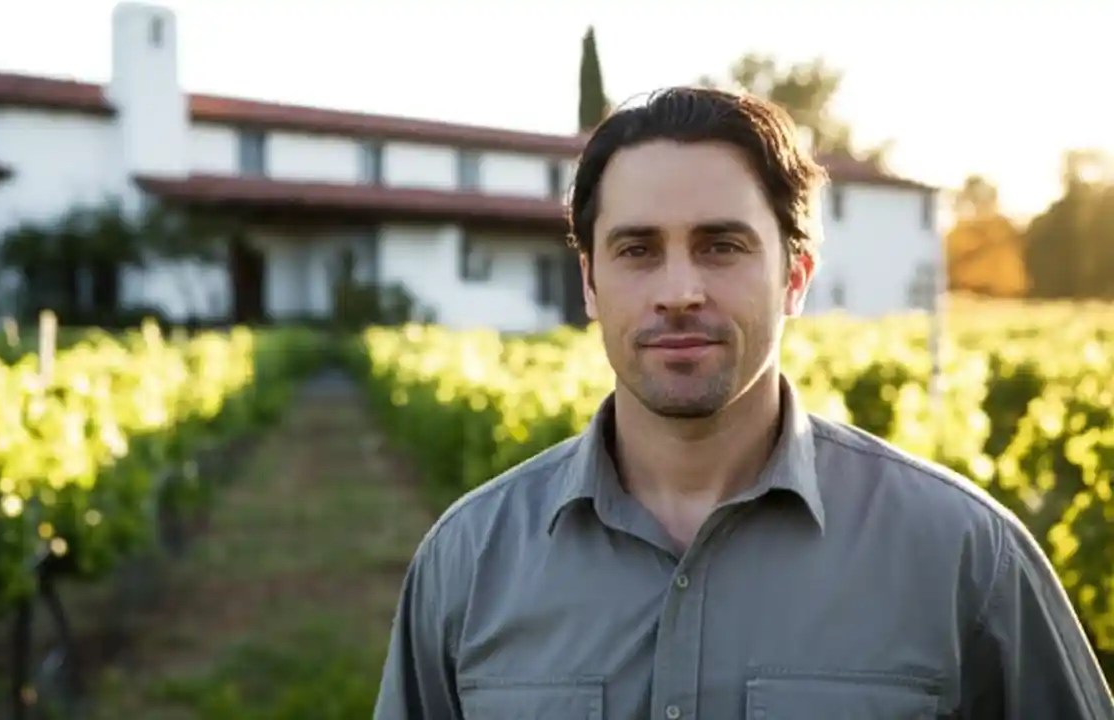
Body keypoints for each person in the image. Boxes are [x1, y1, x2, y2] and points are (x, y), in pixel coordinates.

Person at [372, 86, 1114, 719]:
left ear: (796, 276)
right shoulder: (467, 561)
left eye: (721, 246)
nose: (678, 290)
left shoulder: (967, 559)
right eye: (637, 250)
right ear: (590, 284)